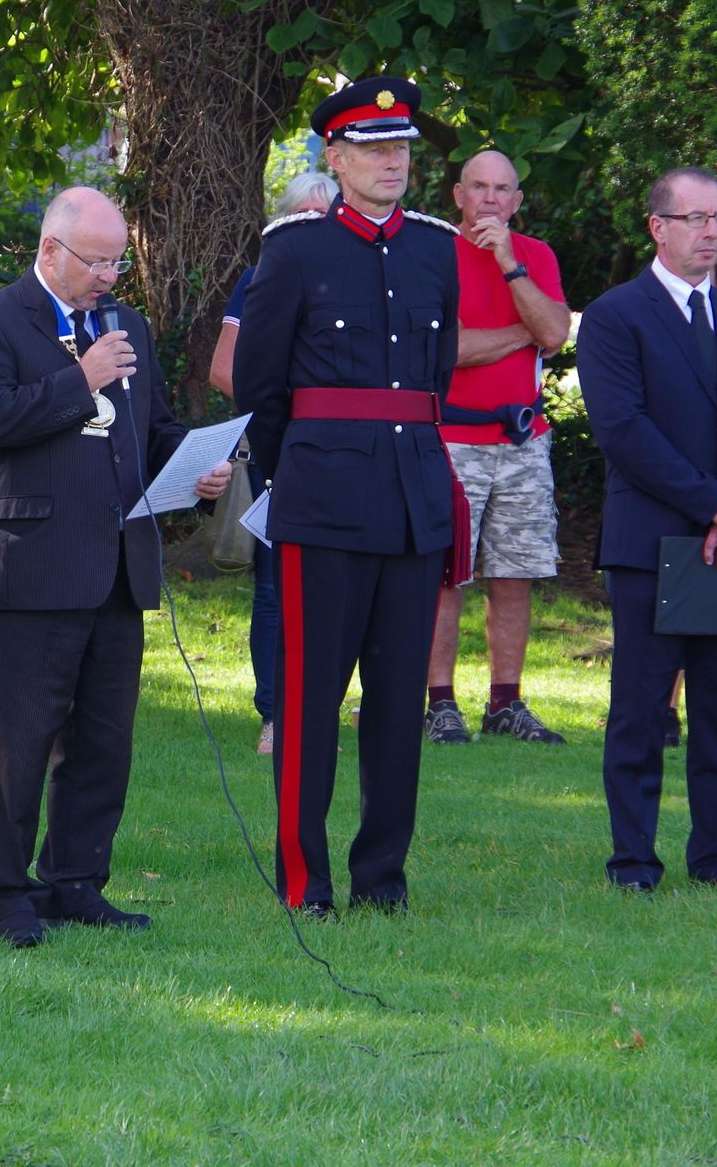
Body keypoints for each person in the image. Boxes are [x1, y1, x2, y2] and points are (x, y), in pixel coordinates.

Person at [0, 186, 232, 948]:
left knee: (103, 738)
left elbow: (154, 428)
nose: (111, 275)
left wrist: (199, 472)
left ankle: (76, 880)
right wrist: (82, 378)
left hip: (118, 564)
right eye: (98, 261)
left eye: (118, 260)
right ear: (50, 251)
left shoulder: (126, 324)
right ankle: (4, 891)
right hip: (31, 565)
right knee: (17, 739)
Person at [234, 75, 462, 919]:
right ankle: (306, 880)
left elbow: (432, 382)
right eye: (373, 149)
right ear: (336, 157)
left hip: (411, 500)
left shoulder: (437, 249)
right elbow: (262, 387)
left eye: (401, 147)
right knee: (309, 698)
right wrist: (299, 476)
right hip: (322, 502)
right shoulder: (293, 249)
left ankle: (382, 878)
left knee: (399, 703)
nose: (392, 162)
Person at [575, 166, 717, 891]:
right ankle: (633, 862)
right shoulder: (615, 315)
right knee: (639, 712)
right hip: (650, 543)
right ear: (657, 227)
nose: (710, 232)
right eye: (695, 218)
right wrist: (713, 505)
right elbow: (623, 431)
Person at [424, 150, 573, 746]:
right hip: (450, 438)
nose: (490, 199)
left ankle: (505, 702)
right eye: (478, 187)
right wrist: (524, 332)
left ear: (515, 200)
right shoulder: (433, 254)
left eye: (502, 189)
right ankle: (439, 703)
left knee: (516, 576)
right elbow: (445, 350)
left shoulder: (535, 256)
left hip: (523, 442)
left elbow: (558, 334)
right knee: (445, 577)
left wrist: (510, 264)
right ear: (458, 195)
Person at [206, 170, 340, 755]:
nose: (315, 227)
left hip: (347, 457)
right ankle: (275, 716)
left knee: (341, 588)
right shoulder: (259, 279)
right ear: (282, 223)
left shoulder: (364, 278)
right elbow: (223, 371)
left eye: (325, 216)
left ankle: (321, 715)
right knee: (274, 587)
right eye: (303, 216)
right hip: (279, 454)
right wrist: (285, 415)